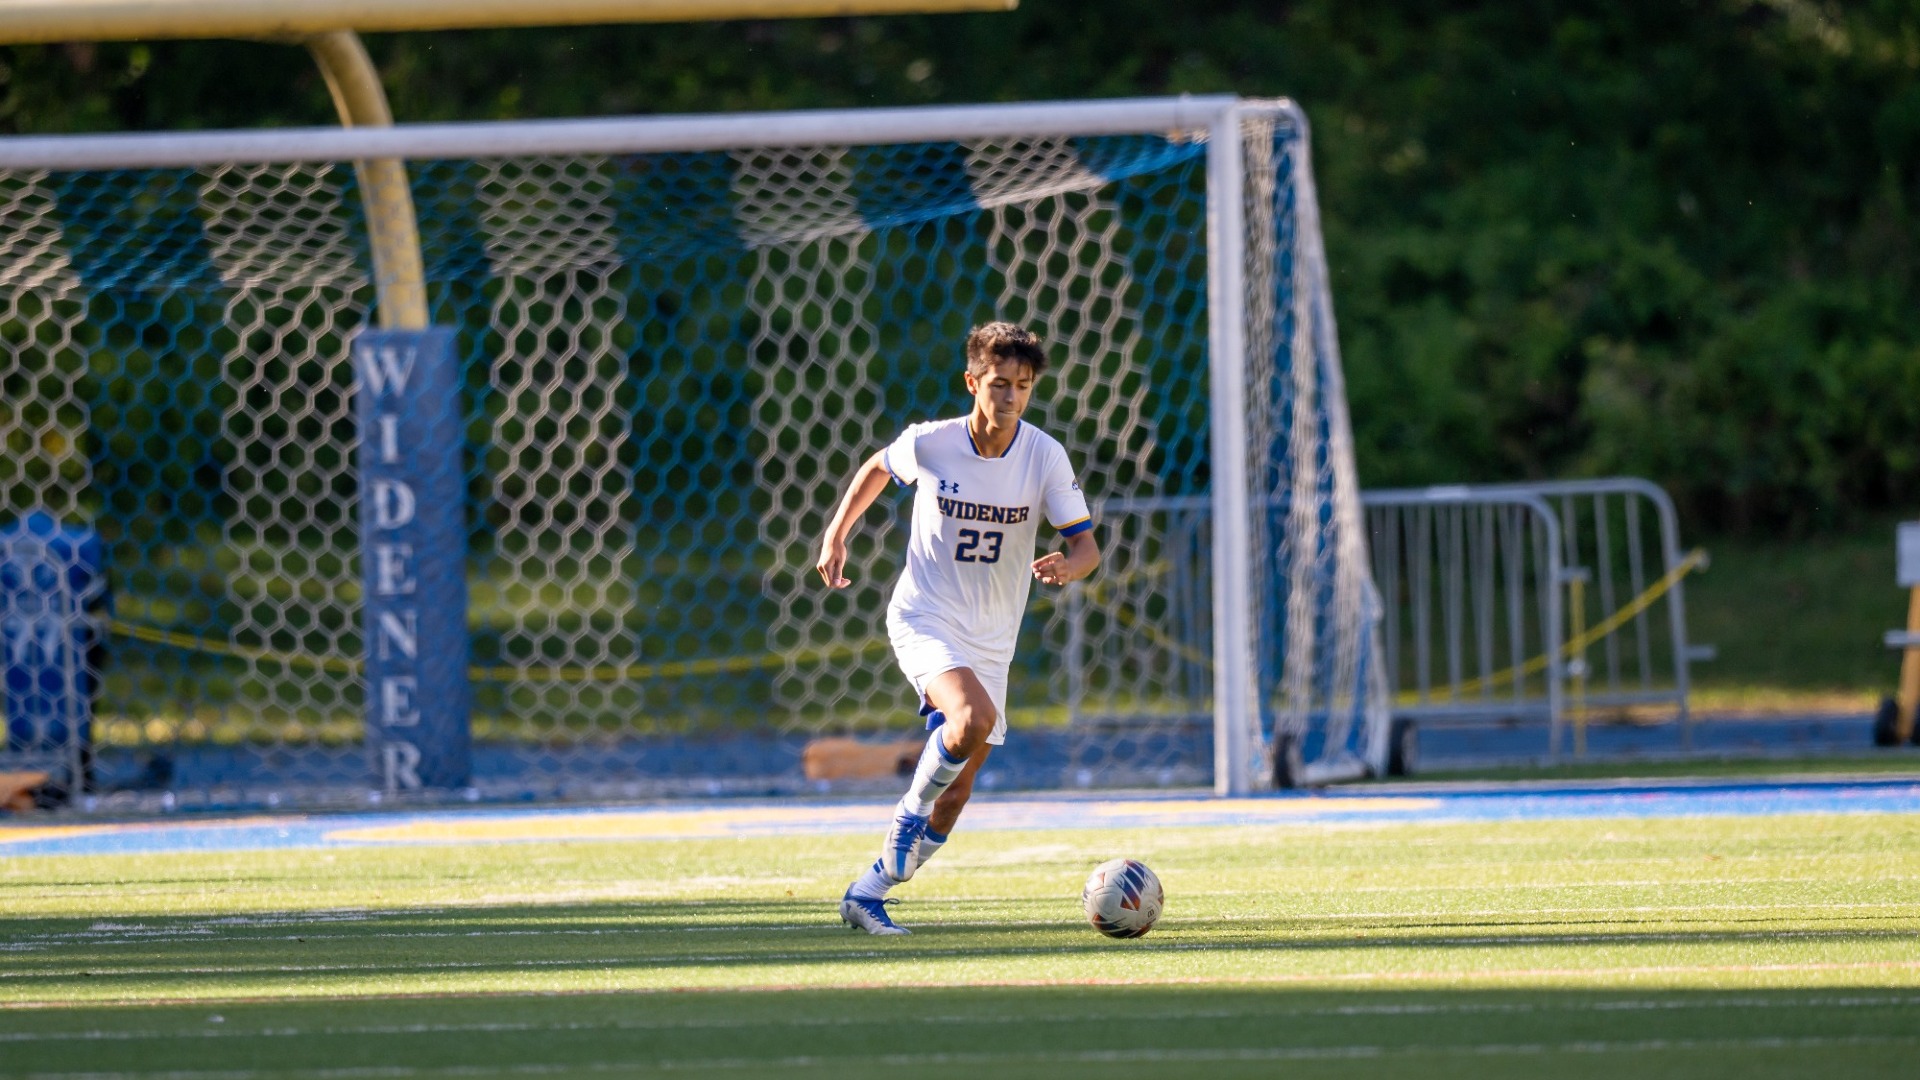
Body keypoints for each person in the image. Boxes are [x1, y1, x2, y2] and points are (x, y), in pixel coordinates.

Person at [815, 321, 1101, 935]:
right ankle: (903, 818)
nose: (1011, 397)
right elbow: (876, 467)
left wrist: (1069, 567)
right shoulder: (933, 443)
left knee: (958, 795)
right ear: (972, 382)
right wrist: (837, 534)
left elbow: (1087, 547)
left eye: (1023, 386)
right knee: (967, 721)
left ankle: (867, 893)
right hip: (925, 614)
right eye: (999, 383)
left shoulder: (1044, 455)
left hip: (993, 639)